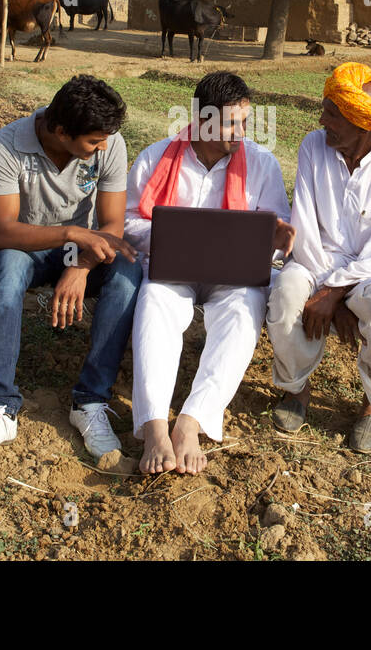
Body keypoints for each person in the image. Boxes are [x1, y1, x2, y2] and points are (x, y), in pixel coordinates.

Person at [0, 76, 142, 461]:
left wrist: (80, 266)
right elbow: (4, 232)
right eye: (93, 141)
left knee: (128, 274)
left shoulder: (111, 144)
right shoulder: (6, 146)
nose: (103, 147)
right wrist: (71, 233)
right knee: (6, 269)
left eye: (105, 139)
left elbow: (111, 226)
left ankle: (90, 401)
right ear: (60, 131)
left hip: (85, 252)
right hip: (28, 249)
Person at [124, 72, 294, 475]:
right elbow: (129, 221)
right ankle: (153, 427)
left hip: (232, 276)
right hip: (171, 269)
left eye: (245, 121)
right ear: (201, 120)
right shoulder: (155, 156)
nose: (243, 131)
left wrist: (278, 234)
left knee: (244, 310)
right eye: (232, 122)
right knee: (154, 305)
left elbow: (274, 224)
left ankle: (191, 421)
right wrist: (171, 236)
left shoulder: (262, 163)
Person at [264, 62, 371, 453]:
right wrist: (326, 289)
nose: (322, 120)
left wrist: (336, 293)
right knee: (285, 292)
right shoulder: (312, 146)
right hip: (315, 260)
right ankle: (297, 390)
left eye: (332, 114)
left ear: (362, 123)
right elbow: (305, 225)